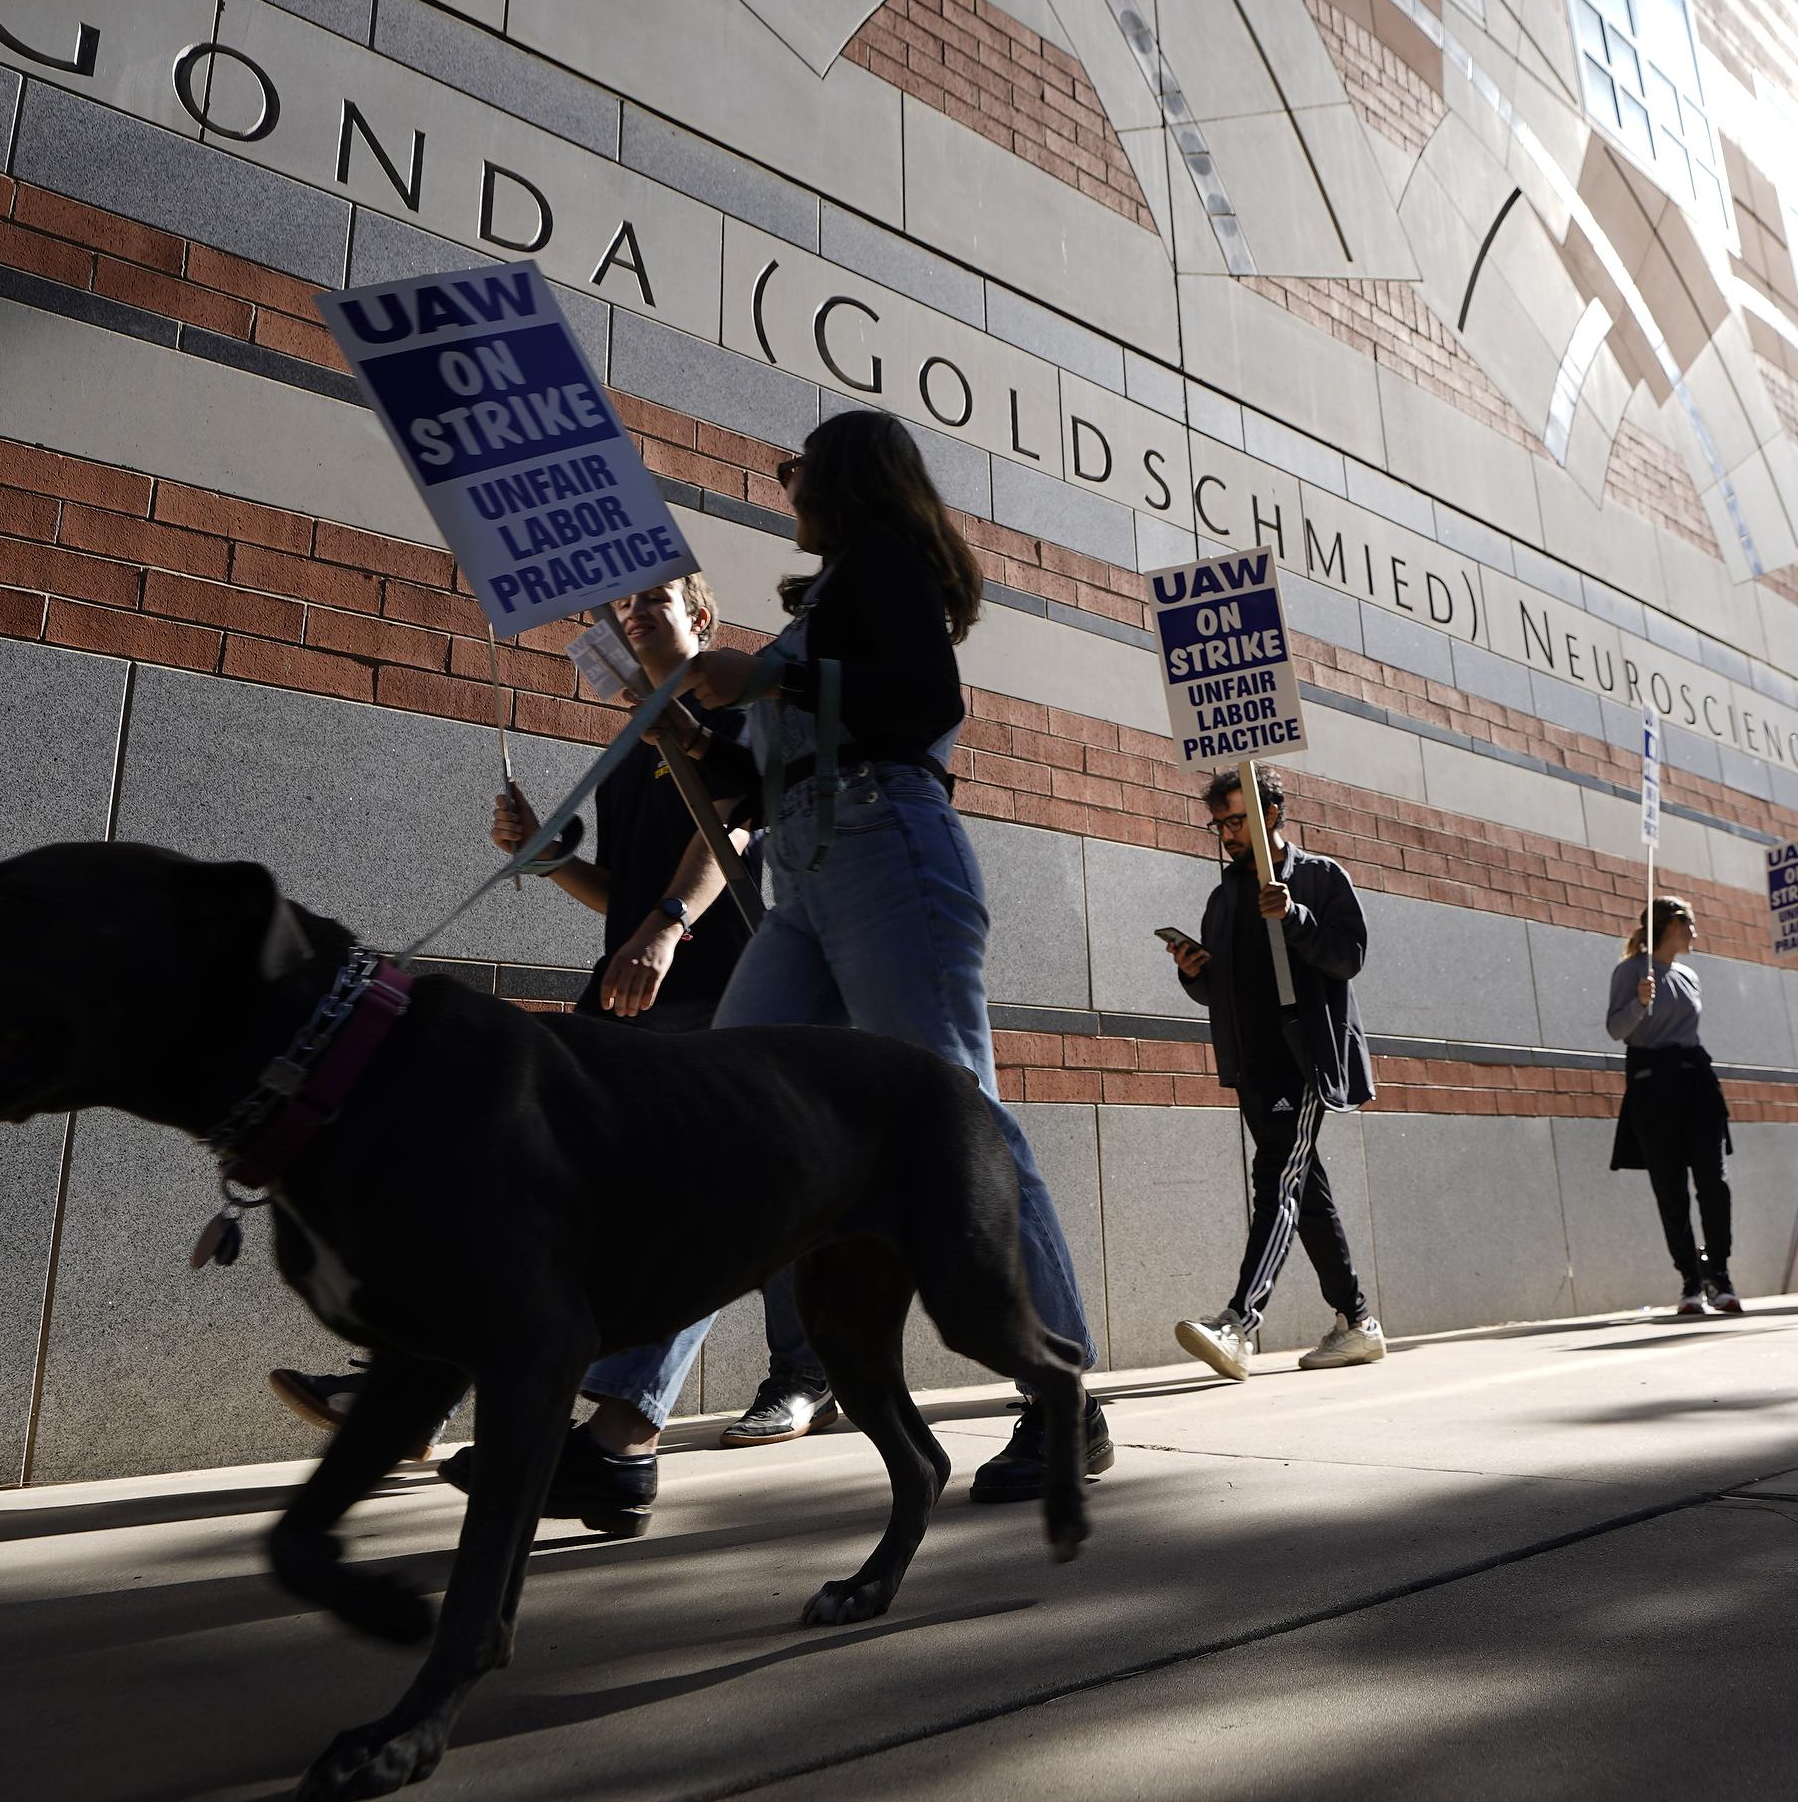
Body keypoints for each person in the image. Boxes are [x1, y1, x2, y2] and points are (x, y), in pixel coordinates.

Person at [264, 577, 778, 1495]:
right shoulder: (631, 745)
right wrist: (548, 861)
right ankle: (409, 1402)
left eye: (656, 601)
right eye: (621, 610)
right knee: (517, 1201)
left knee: (684, 1213)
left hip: (716, 992)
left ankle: (623, 1436)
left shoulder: (729, 713)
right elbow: (612, 888)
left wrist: (664, 928)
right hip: (627, 995)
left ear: (704, 617)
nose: (631, 618)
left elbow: (733, 832)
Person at [685, 408, 1110, 1499]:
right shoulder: (825, 599)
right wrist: (676, 691)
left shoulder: (884, 561)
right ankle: (617, 1419)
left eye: (791, 469)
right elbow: (745, 763)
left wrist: (772, 682)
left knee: (959, 1117)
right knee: (726, 1111)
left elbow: (928, 698)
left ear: (839, 479)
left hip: (887, 845)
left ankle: (1064, 1397)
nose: (785, 490)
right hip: (813, 869)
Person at [1165, 765, 1390, 1376]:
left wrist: (1295, 918)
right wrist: (1193, 972)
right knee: (1303, 1190)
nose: (1227, 835)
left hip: (1305, 1056)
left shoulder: (1318, 878)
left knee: (1278, 1181)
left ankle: (1240, 1323)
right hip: (1252, 1063)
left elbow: (1348, 957)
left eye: (1236, 820)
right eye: (1219, 825)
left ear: (1271, 814)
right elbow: (1225, 991)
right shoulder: (1224, 895)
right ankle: (1357, 1322)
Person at [1603, 896, 1742, 1315]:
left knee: (1713, 1181)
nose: (1694, 934)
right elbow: (1615, 1029)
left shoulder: (1688, 975)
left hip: (1696, 1081)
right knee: (1669, 1185)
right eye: (1687, 927)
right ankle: (1690, 1279)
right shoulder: (1630, 972)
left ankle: (1719, 1272)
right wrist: (1639, 1003)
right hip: (1652, 1084)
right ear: (1666, 928)